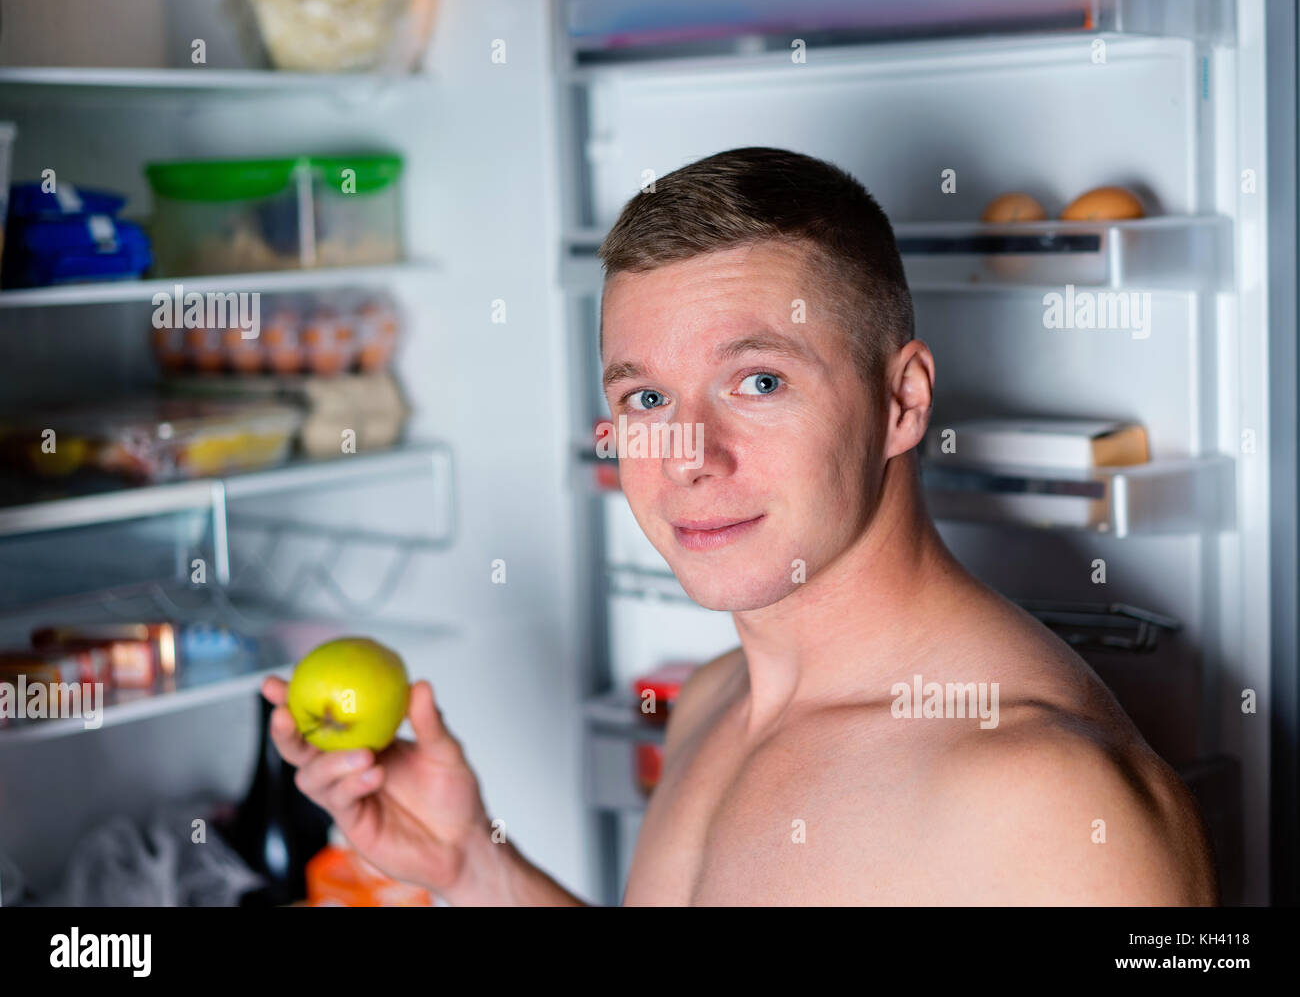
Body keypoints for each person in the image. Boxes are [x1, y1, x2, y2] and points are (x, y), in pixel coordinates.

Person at [262, 147, 1218, 906]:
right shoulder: (715, 701)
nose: (689, 455)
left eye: (759, 382)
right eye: (646, 397)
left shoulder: (1045, 799)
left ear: (903, 399)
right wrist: (472, 865)